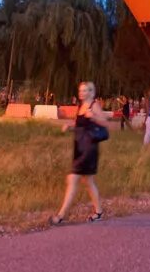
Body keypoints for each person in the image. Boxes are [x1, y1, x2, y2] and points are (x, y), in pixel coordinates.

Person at [50, 81, 111, 225]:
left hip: (89, 149)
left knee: (73, 179)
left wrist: (93, 117)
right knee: (88, 181)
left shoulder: (93, 105)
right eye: (80, 90)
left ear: (91, 92)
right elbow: (80, 125)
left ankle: (60, 216)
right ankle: (99, 212)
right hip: (79, 147)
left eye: (84, 91)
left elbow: (106, 123)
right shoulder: (81, 106)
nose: (81, 93)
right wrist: (69, 127)